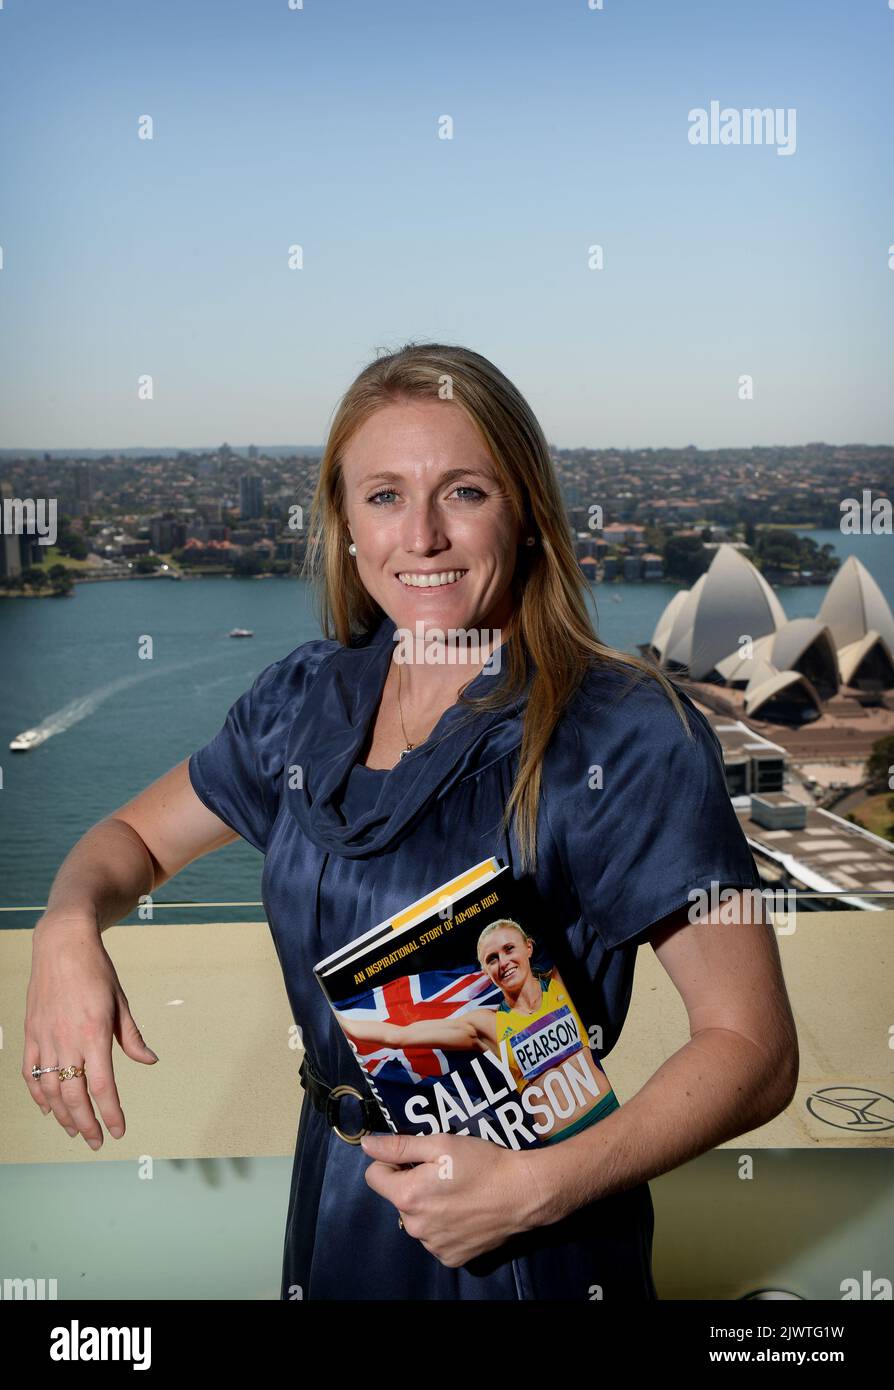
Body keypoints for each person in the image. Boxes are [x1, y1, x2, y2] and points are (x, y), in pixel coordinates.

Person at [22, 342, 799, 1301]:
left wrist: (539, 1188)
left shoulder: (624, 730)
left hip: (527, 1235)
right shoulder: (302, 701)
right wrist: (65, 929)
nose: (422, 536)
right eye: (385, 495)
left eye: (464, 491)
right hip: (340, 1202)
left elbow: (754, 1050)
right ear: (346, 523)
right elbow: (131, 844)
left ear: (526, 516)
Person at [335, 919, 619, 1143]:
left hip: (609, 1115)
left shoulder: (559, 983)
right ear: (485, 971)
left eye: (509, 949)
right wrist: (338, 1014)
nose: (503, 962)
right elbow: (396, 1035)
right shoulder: (487, 1024)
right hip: (560, 1143)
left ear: (528, 948)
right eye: (492, 958)